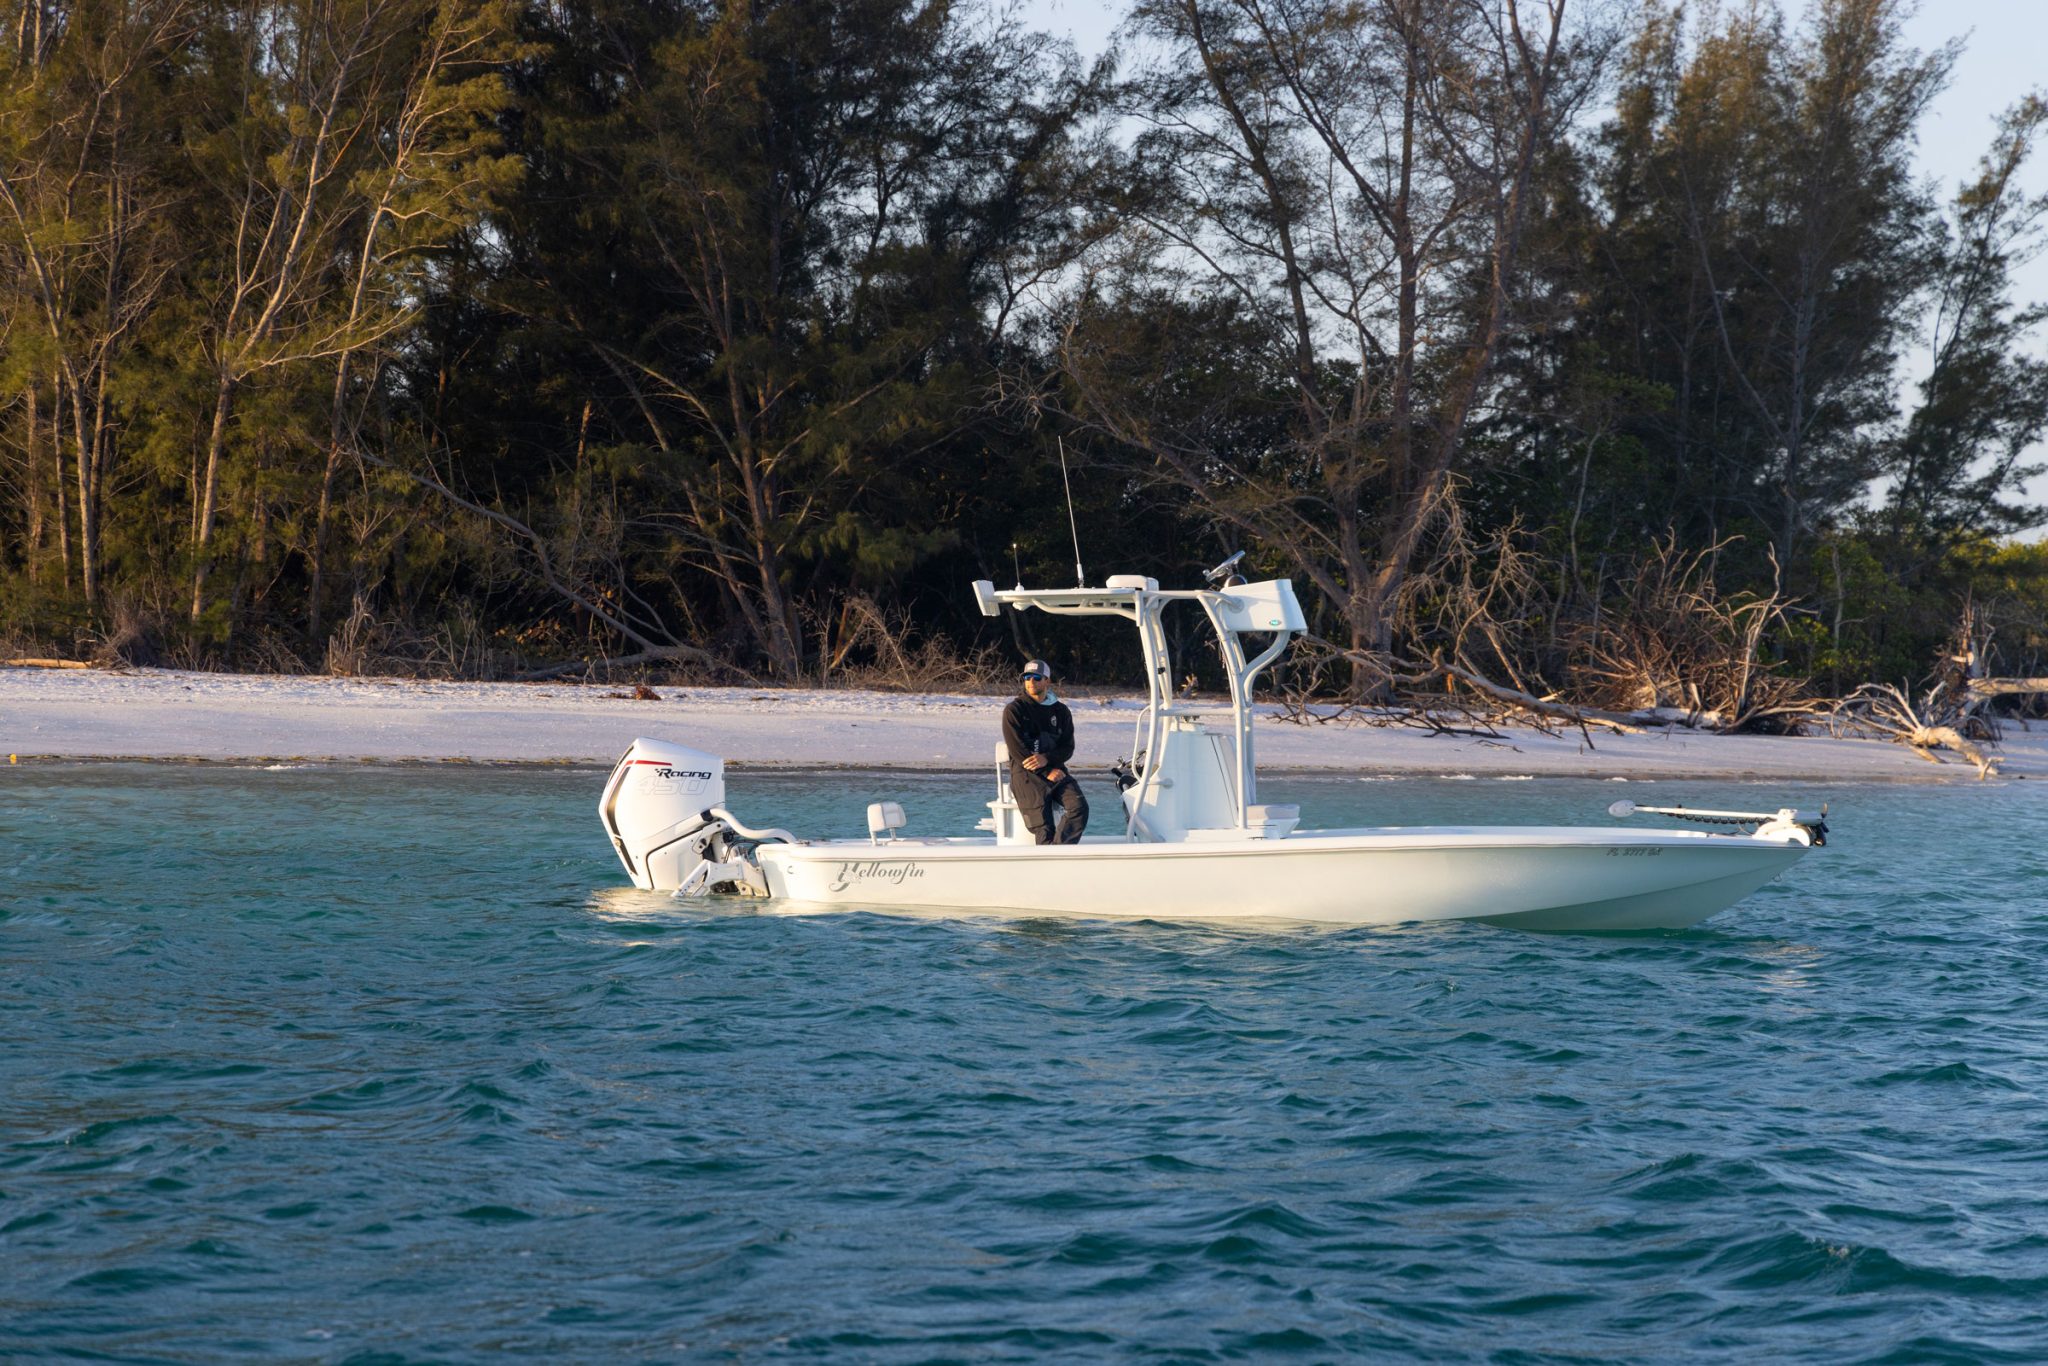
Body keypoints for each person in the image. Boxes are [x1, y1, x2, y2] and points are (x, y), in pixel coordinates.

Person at [1001, 659, 1088, 845]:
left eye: (1036, 677)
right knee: (1044, 828)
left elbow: (1067, 747)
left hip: (1056, 771)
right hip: (1026, 775)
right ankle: (1051, 859)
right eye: (1027, 677)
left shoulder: (1061, 711)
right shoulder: (1014, 710)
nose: (1031, 682)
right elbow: (1018, 751)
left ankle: (1058, 854)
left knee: (1079, 807)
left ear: (1047, 680)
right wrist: (1045, 771)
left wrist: (1047, 759)